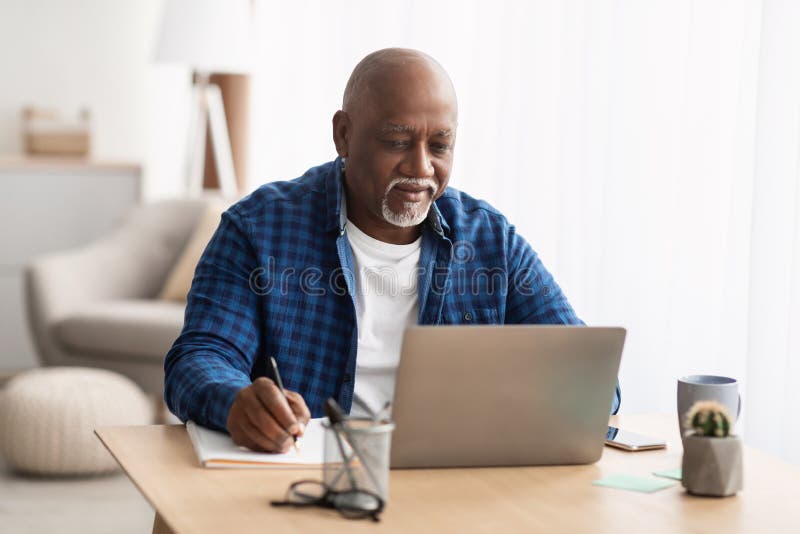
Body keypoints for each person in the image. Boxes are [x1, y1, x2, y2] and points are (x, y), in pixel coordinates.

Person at [164, 48, 621, 453]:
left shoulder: (491, 242)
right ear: (343, 134)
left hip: (453, 482)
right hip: (310, 478)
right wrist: (235, 403)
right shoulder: (258, 229)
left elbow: (593, 381)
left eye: (439, 145)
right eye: (397, 142)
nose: (422, 167)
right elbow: (199, 358)